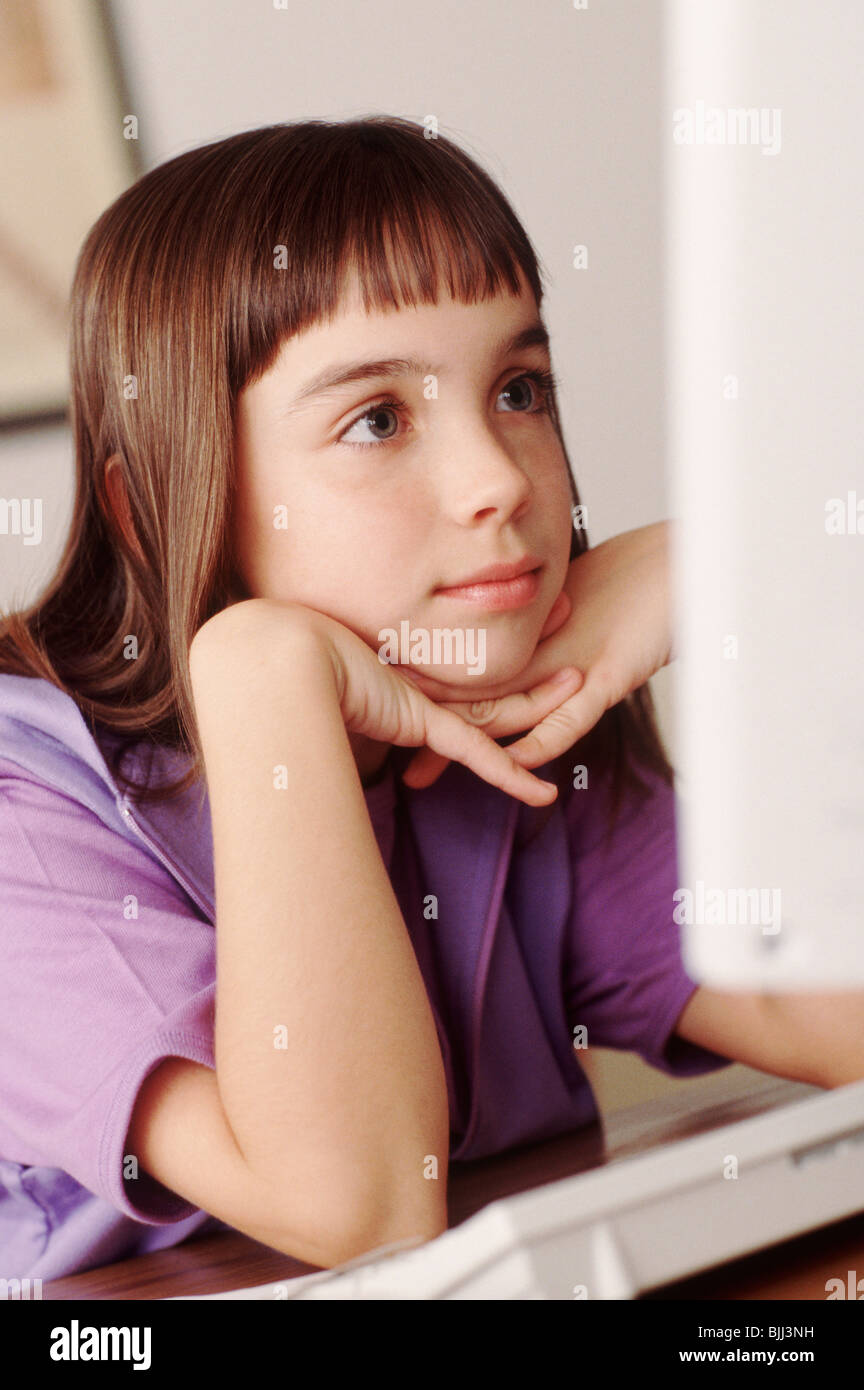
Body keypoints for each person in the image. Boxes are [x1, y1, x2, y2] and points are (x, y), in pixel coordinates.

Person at [0, 116, 860, 1283]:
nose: (500, 481)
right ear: (154, 505)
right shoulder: (24, 813)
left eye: (518, 387)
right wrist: (262, 671)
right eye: (377, 419)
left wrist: (769, 566)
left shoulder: (515, 741)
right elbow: (357, 1206)